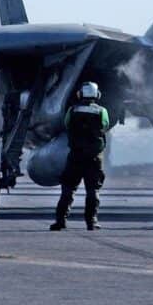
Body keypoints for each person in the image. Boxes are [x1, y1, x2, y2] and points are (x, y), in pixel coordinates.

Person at [50, 82, 110, 231]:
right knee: (93, 191)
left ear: (80, 94)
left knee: (68, 189)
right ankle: (92, 222)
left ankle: (60, 221)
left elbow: (67, 124)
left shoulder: (72, 110)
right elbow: (105, 125)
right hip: (94, 158)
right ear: (97, 95)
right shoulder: (102, 111)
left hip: (76, 155)